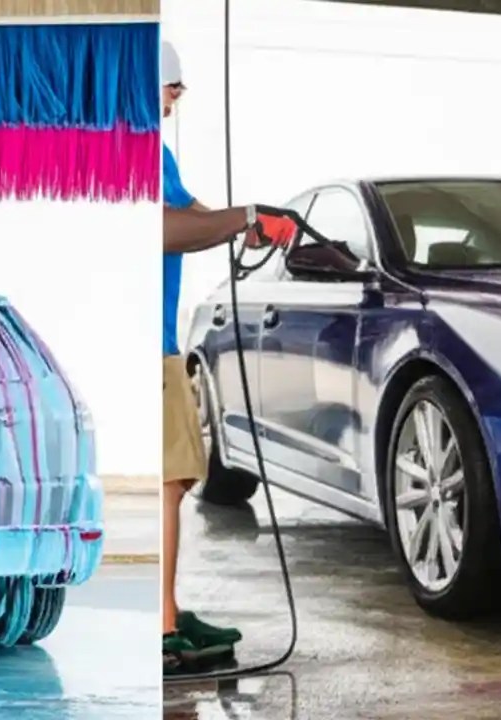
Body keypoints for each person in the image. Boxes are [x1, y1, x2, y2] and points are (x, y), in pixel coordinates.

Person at [160, 40, 298, 675]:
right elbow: (163, 229)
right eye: (171, 83)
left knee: (176, 481)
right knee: (166, 486)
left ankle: (166, 611)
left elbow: (192, 215)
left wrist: (251, 221)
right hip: (143, 345)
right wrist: (242, 216)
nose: (178, 94)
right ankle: (162, 629)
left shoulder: (155, 154)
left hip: (162, 345)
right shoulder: (125, 150)